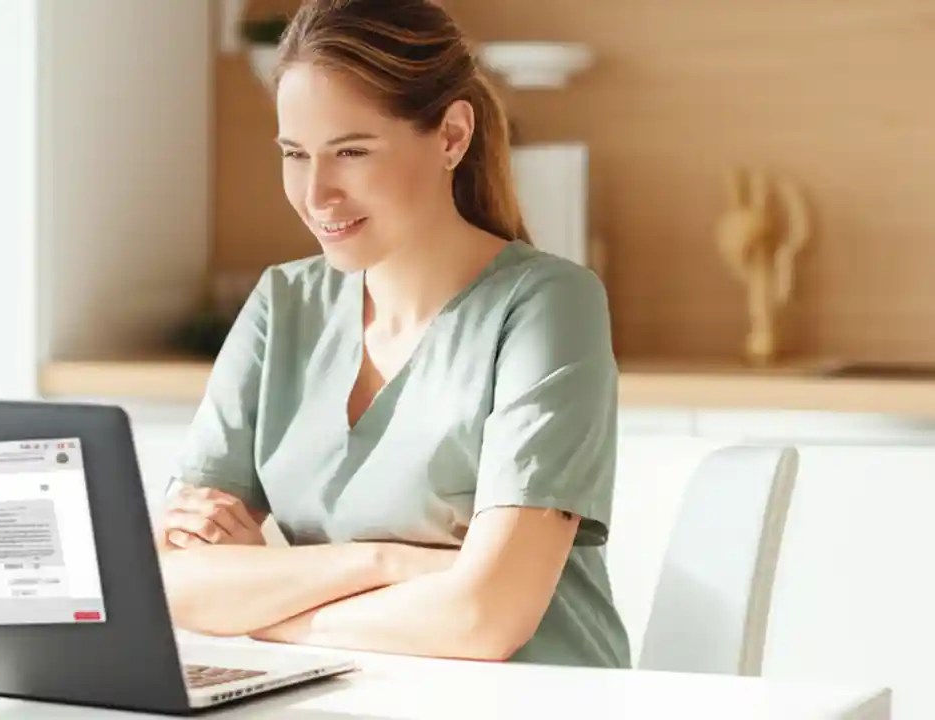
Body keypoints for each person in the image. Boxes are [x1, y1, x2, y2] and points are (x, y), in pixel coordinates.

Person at [157, 0, 631, 668]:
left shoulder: (548, 305)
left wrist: (264, 615)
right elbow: (173, 579)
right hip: (346, 697)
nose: (316, 194)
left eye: (351, 151)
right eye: (296, 154)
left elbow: (482, 620)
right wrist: (392, 563)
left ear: (451, 137)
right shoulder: (282, 305)